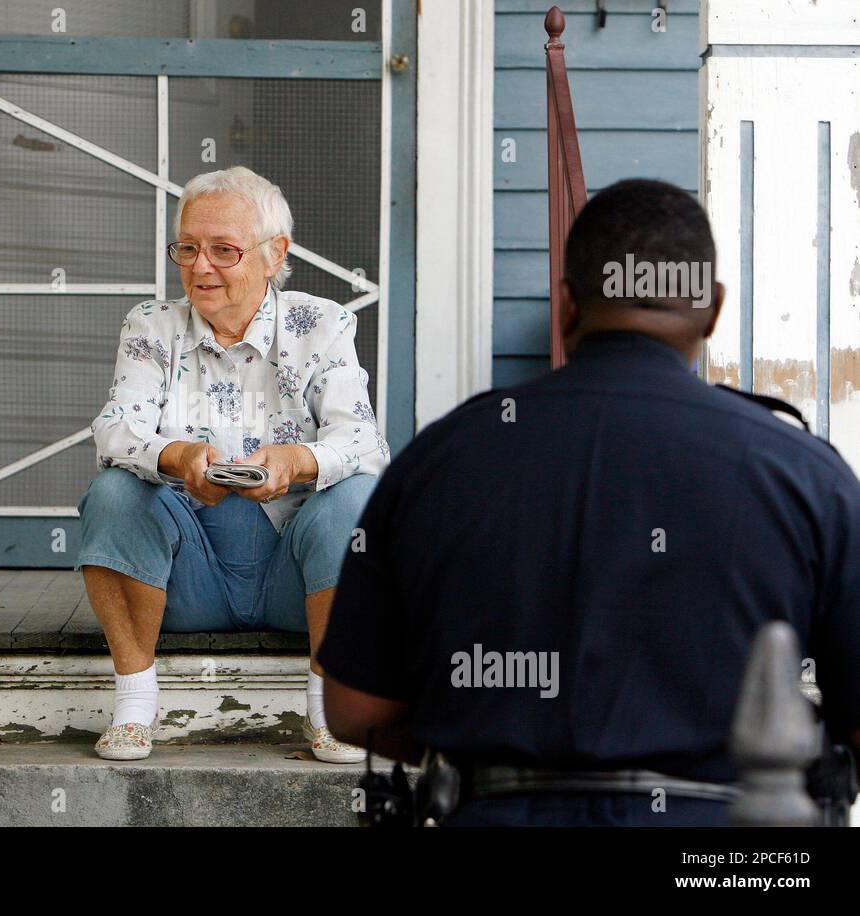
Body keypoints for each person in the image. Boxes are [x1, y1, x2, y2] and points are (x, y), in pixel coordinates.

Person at [319, 179, 860, 825]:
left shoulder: (441, 459)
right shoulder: (802, 473)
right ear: (712, 309)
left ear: (567, 304)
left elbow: (357, 712)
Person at [77, 166, 387, 762]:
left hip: (297, 585)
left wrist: (297, 461)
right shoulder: (152, 326)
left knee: (357, 499)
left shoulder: (321, 324)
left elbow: (364, 441)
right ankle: (135, 705)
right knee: (113, 493)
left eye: (224, 250)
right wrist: (178, 456)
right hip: (183, 580)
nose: (200, 267)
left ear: (275, 254)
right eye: (188, 248)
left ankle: (330, 709)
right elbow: (117, 430)